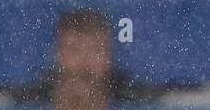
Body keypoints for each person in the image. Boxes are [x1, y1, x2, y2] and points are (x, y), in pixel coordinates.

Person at [14, 7, 154, 103]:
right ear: (58, 54)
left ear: (109, 55)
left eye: (96, 50)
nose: (85, 61)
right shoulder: (36, 98)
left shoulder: (133, 97)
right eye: (74, 50)